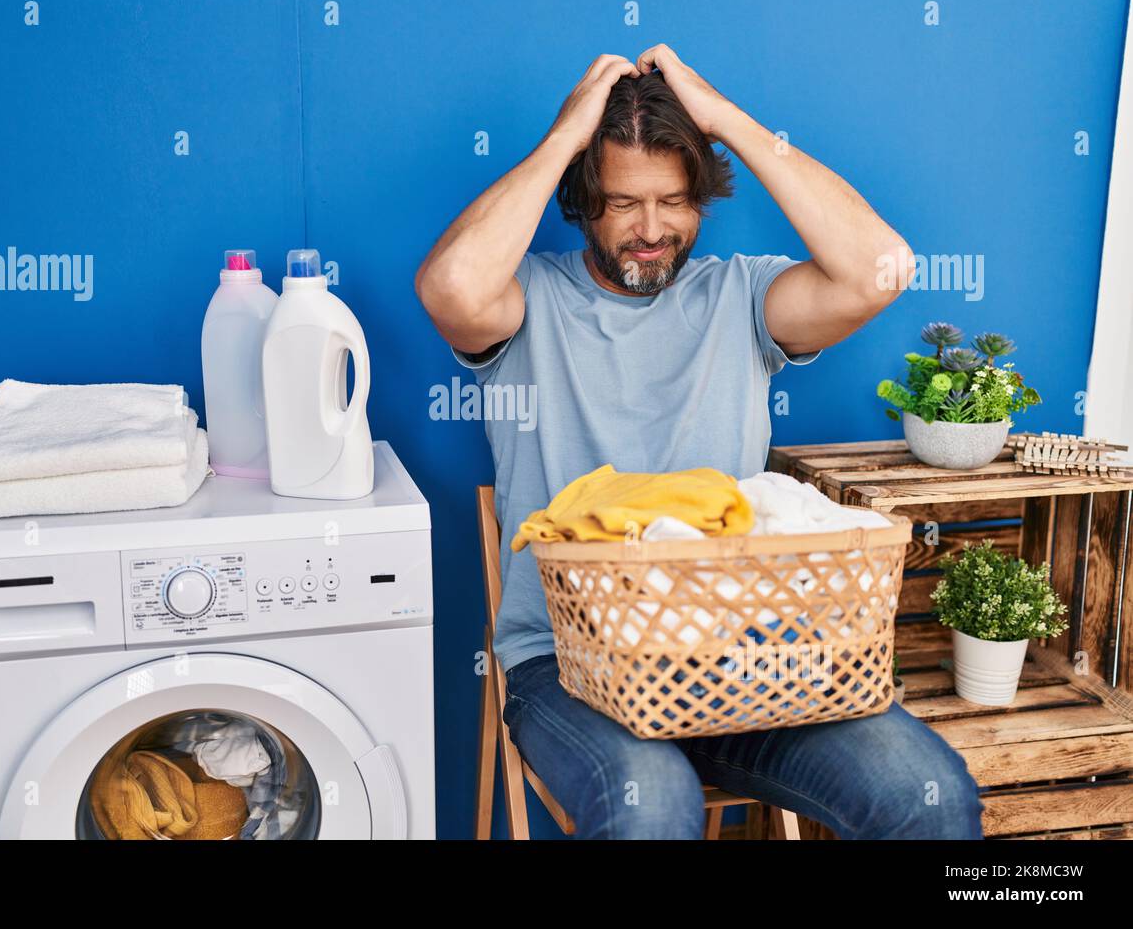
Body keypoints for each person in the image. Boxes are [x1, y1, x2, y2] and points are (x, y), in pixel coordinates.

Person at [415, 45, 984, 839]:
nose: (652, 230)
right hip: (572, 666)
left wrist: (725, 121)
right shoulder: (527, 306)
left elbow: (879, 271)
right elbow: (449, 287)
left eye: (675, 202)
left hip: (745, 660)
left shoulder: (742, 298)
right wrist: (564, 136)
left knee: (925, 790)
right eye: (622, 203)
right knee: (653, 808)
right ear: (584, 197)